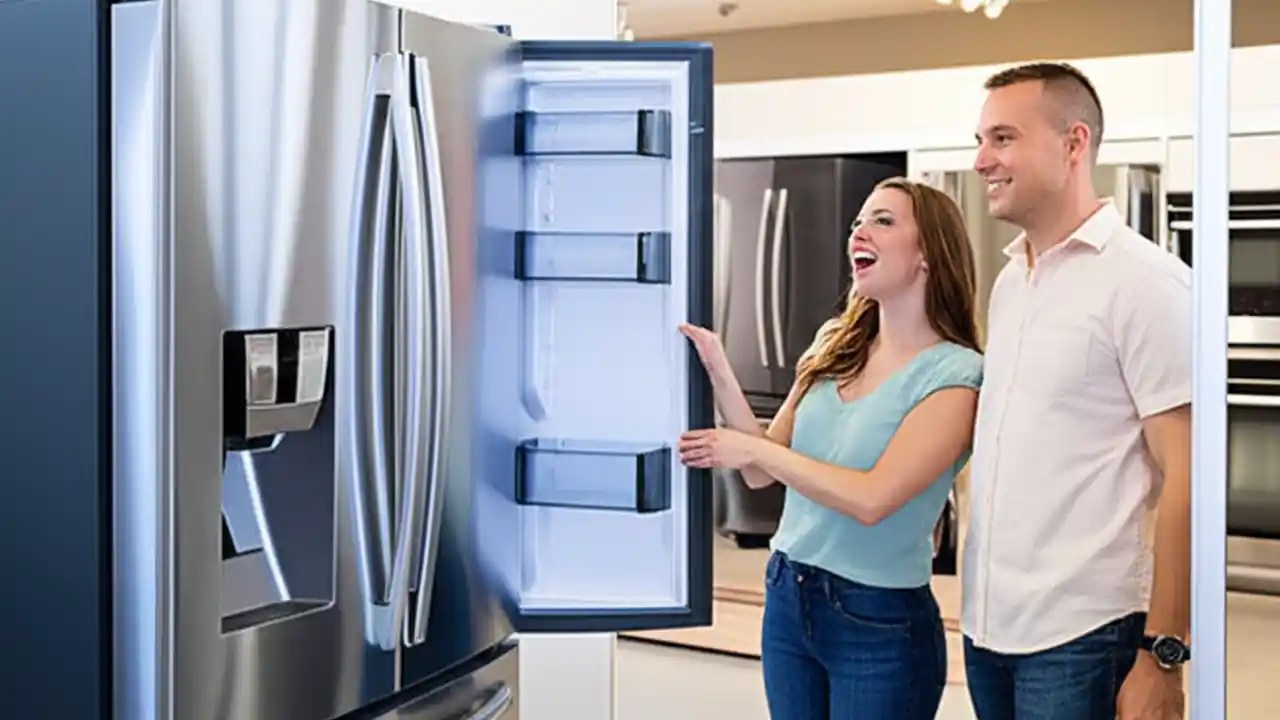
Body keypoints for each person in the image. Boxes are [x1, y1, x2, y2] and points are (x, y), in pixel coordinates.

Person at [677, 177, 984, 720]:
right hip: (788, 595)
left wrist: (752, 452)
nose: (858, 232)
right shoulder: (835, 343)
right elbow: (759, 472)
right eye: (856, 223)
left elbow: (873, 499)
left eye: (882, 221)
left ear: (929, 256)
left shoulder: (957, 375)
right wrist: (719, 369)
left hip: (880, 621)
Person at [963, 62, 1192, 720]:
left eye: (1002, 138)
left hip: (1084, 636)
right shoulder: (1011, 282)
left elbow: (1189, 478)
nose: (982, 161)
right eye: (979, 140)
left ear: (1074, 143)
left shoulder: (1146, 282)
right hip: (988, 628)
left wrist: (1163, 653)